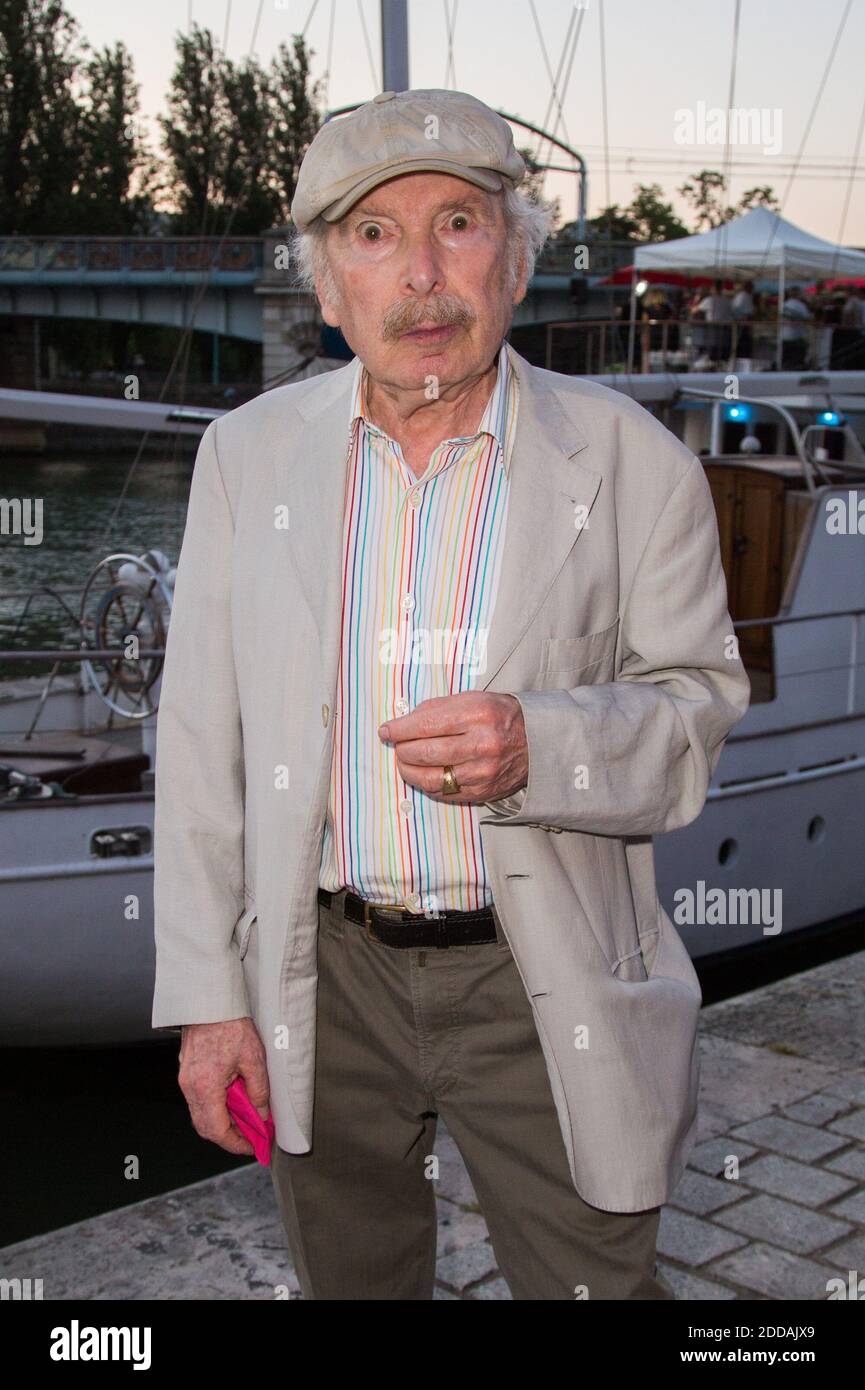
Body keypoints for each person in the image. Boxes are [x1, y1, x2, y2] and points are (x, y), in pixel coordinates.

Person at [151, 88, 750, 1302]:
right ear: (327, 287)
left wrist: (544, 742)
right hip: (324, 975)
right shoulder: (246, 458)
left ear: (515, 260)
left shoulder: (635, 460)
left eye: (459, 225)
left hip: (548, 971)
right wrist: (212, 1004)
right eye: (373, 235)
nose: (420, 275)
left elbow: (697, 711)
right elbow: (201, 740)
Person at [780, 285, 812, 368]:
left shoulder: (784, 305)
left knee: (785, 361)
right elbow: (808, 318)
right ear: (798, 294)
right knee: (797, 362)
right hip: (797, 338)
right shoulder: (801, 305)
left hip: (784, 336)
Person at [730, 279, 755, 358]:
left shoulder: (741, 295)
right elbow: (749, 311)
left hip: (739, 322)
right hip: (742, 324)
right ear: (749, 288)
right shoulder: (745, 296)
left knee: (740, 343)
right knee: (743, 344)